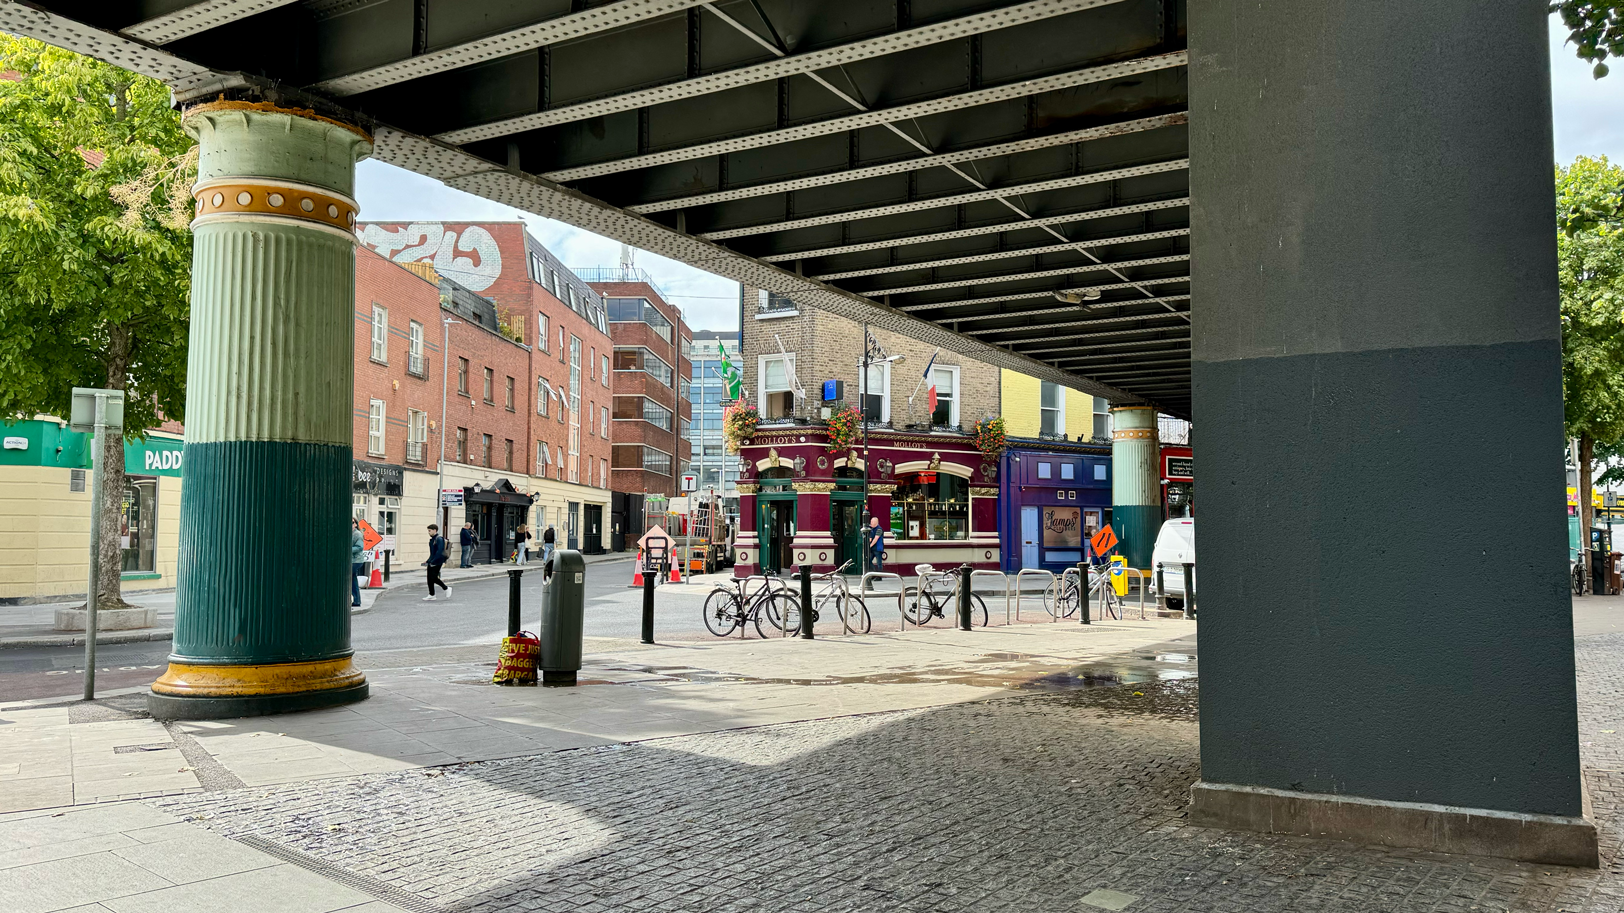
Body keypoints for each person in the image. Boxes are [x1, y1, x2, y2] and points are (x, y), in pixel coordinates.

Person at [423, 524, 451, 601]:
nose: (428, 532)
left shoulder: (439, 539)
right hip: (432, 561)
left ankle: (446, 588)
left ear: (435, 530)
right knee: (429, 578)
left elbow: (439, 552)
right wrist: (428, 561)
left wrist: (433, 561)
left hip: (438, 561)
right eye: (428, 531)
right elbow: (432, 552)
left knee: (433, 578)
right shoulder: (432, 539)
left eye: (430, 530)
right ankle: (432, 594)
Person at [350, 519, 365, 607]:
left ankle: (356, 599)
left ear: (355, 524)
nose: (351, 524)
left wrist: (347, 549)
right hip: (353, 560)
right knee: (353, 579)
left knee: (350, 579)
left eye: (352, 522)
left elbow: (359, 547)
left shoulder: (357, 534)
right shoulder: (350, 533)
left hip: (356, 561)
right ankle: (356, 600)